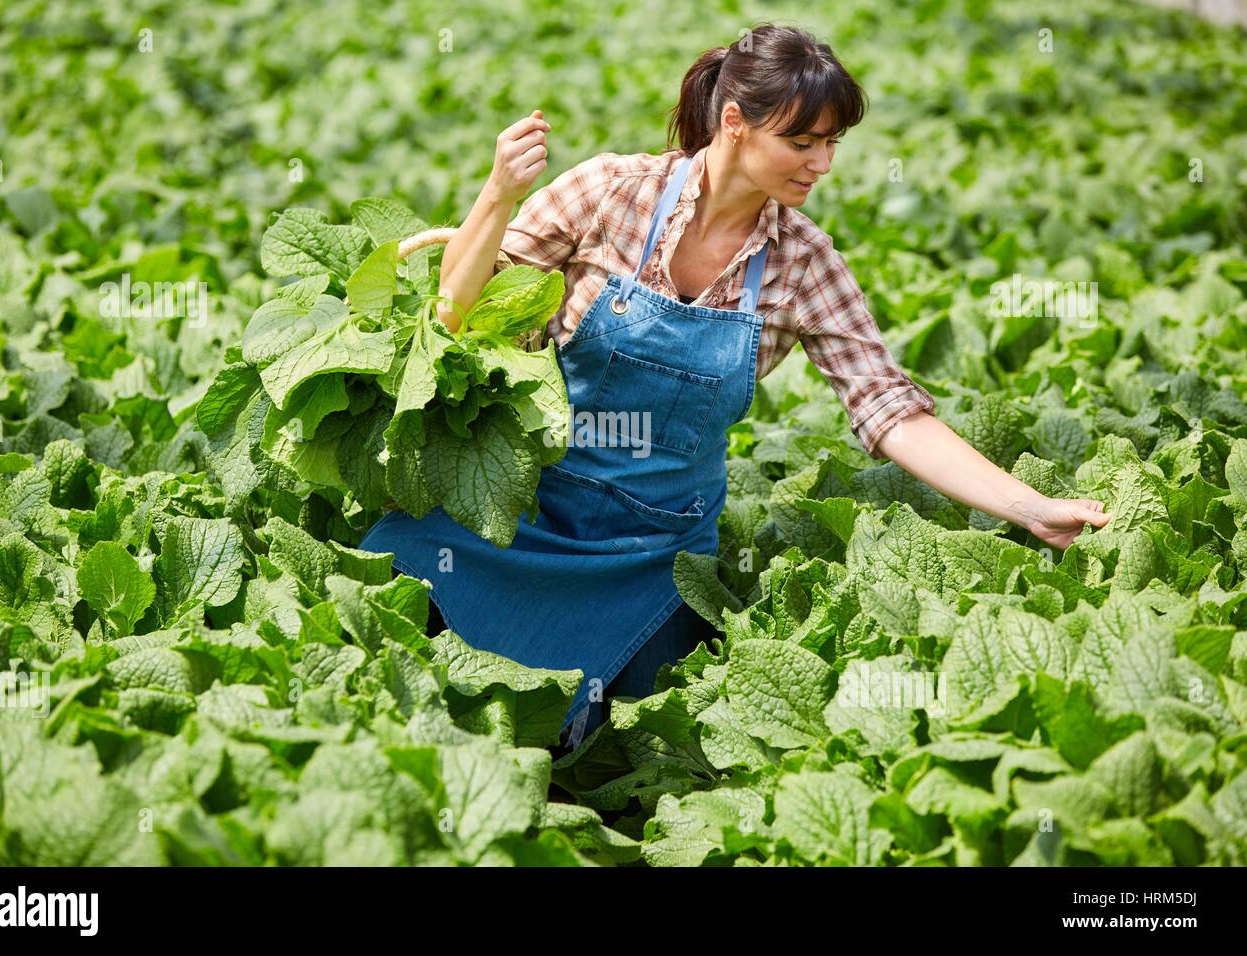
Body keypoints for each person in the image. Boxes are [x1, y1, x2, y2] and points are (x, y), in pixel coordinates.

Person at [361, 23, 1111, 748]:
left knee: (599, 734)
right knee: (393, 600)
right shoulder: (609, 192)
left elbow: (888, 410)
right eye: (801, 141)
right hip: (523, 505)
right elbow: (455, 318)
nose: (821, 163)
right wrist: (496, 194)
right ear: (734, 122)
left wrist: (1029, 505)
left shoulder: (805, 262)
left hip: (652, 549)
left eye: (832, 145)